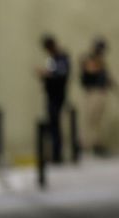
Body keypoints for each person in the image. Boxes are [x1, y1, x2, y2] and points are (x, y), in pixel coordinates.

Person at [38, 35, 71, 164]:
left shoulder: (61, 58)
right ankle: (53, 154)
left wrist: (47, 74)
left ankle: (57, 155)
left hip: (57, 95)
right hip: (51, 94)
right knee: (52, 125)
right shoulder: (52, 59)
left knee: (55, 125)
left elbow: (61, 75)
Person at [80, 38, 114, 157]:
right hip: (93, 92)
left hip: (100, 92)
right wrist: (99, 64)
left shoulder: (99, 61)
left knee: (97, 120)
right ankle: (88, 144)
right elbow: (91, 70)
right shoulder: (90, 59)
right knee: (91, 119)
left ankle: (96, 143)